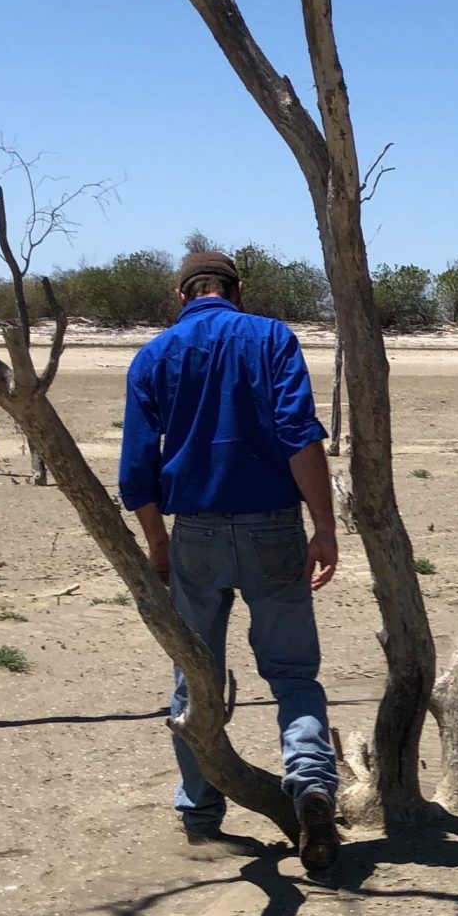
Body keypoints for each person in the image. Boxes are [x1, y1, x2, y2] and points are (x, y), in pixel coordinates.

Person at [118, 249, 342, 874]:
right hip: (273, 525)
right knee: (293, 673)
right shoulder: (270, 338)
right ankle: (311, 785)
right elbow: (298, 433)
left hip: (196, 532)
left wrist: (158, 543)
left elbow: (136, 467)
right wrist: (323, 526)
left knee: (195, 676)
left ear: (181, 295)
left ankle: (200, 813)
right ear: (238, 289)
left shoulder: (154, 355)